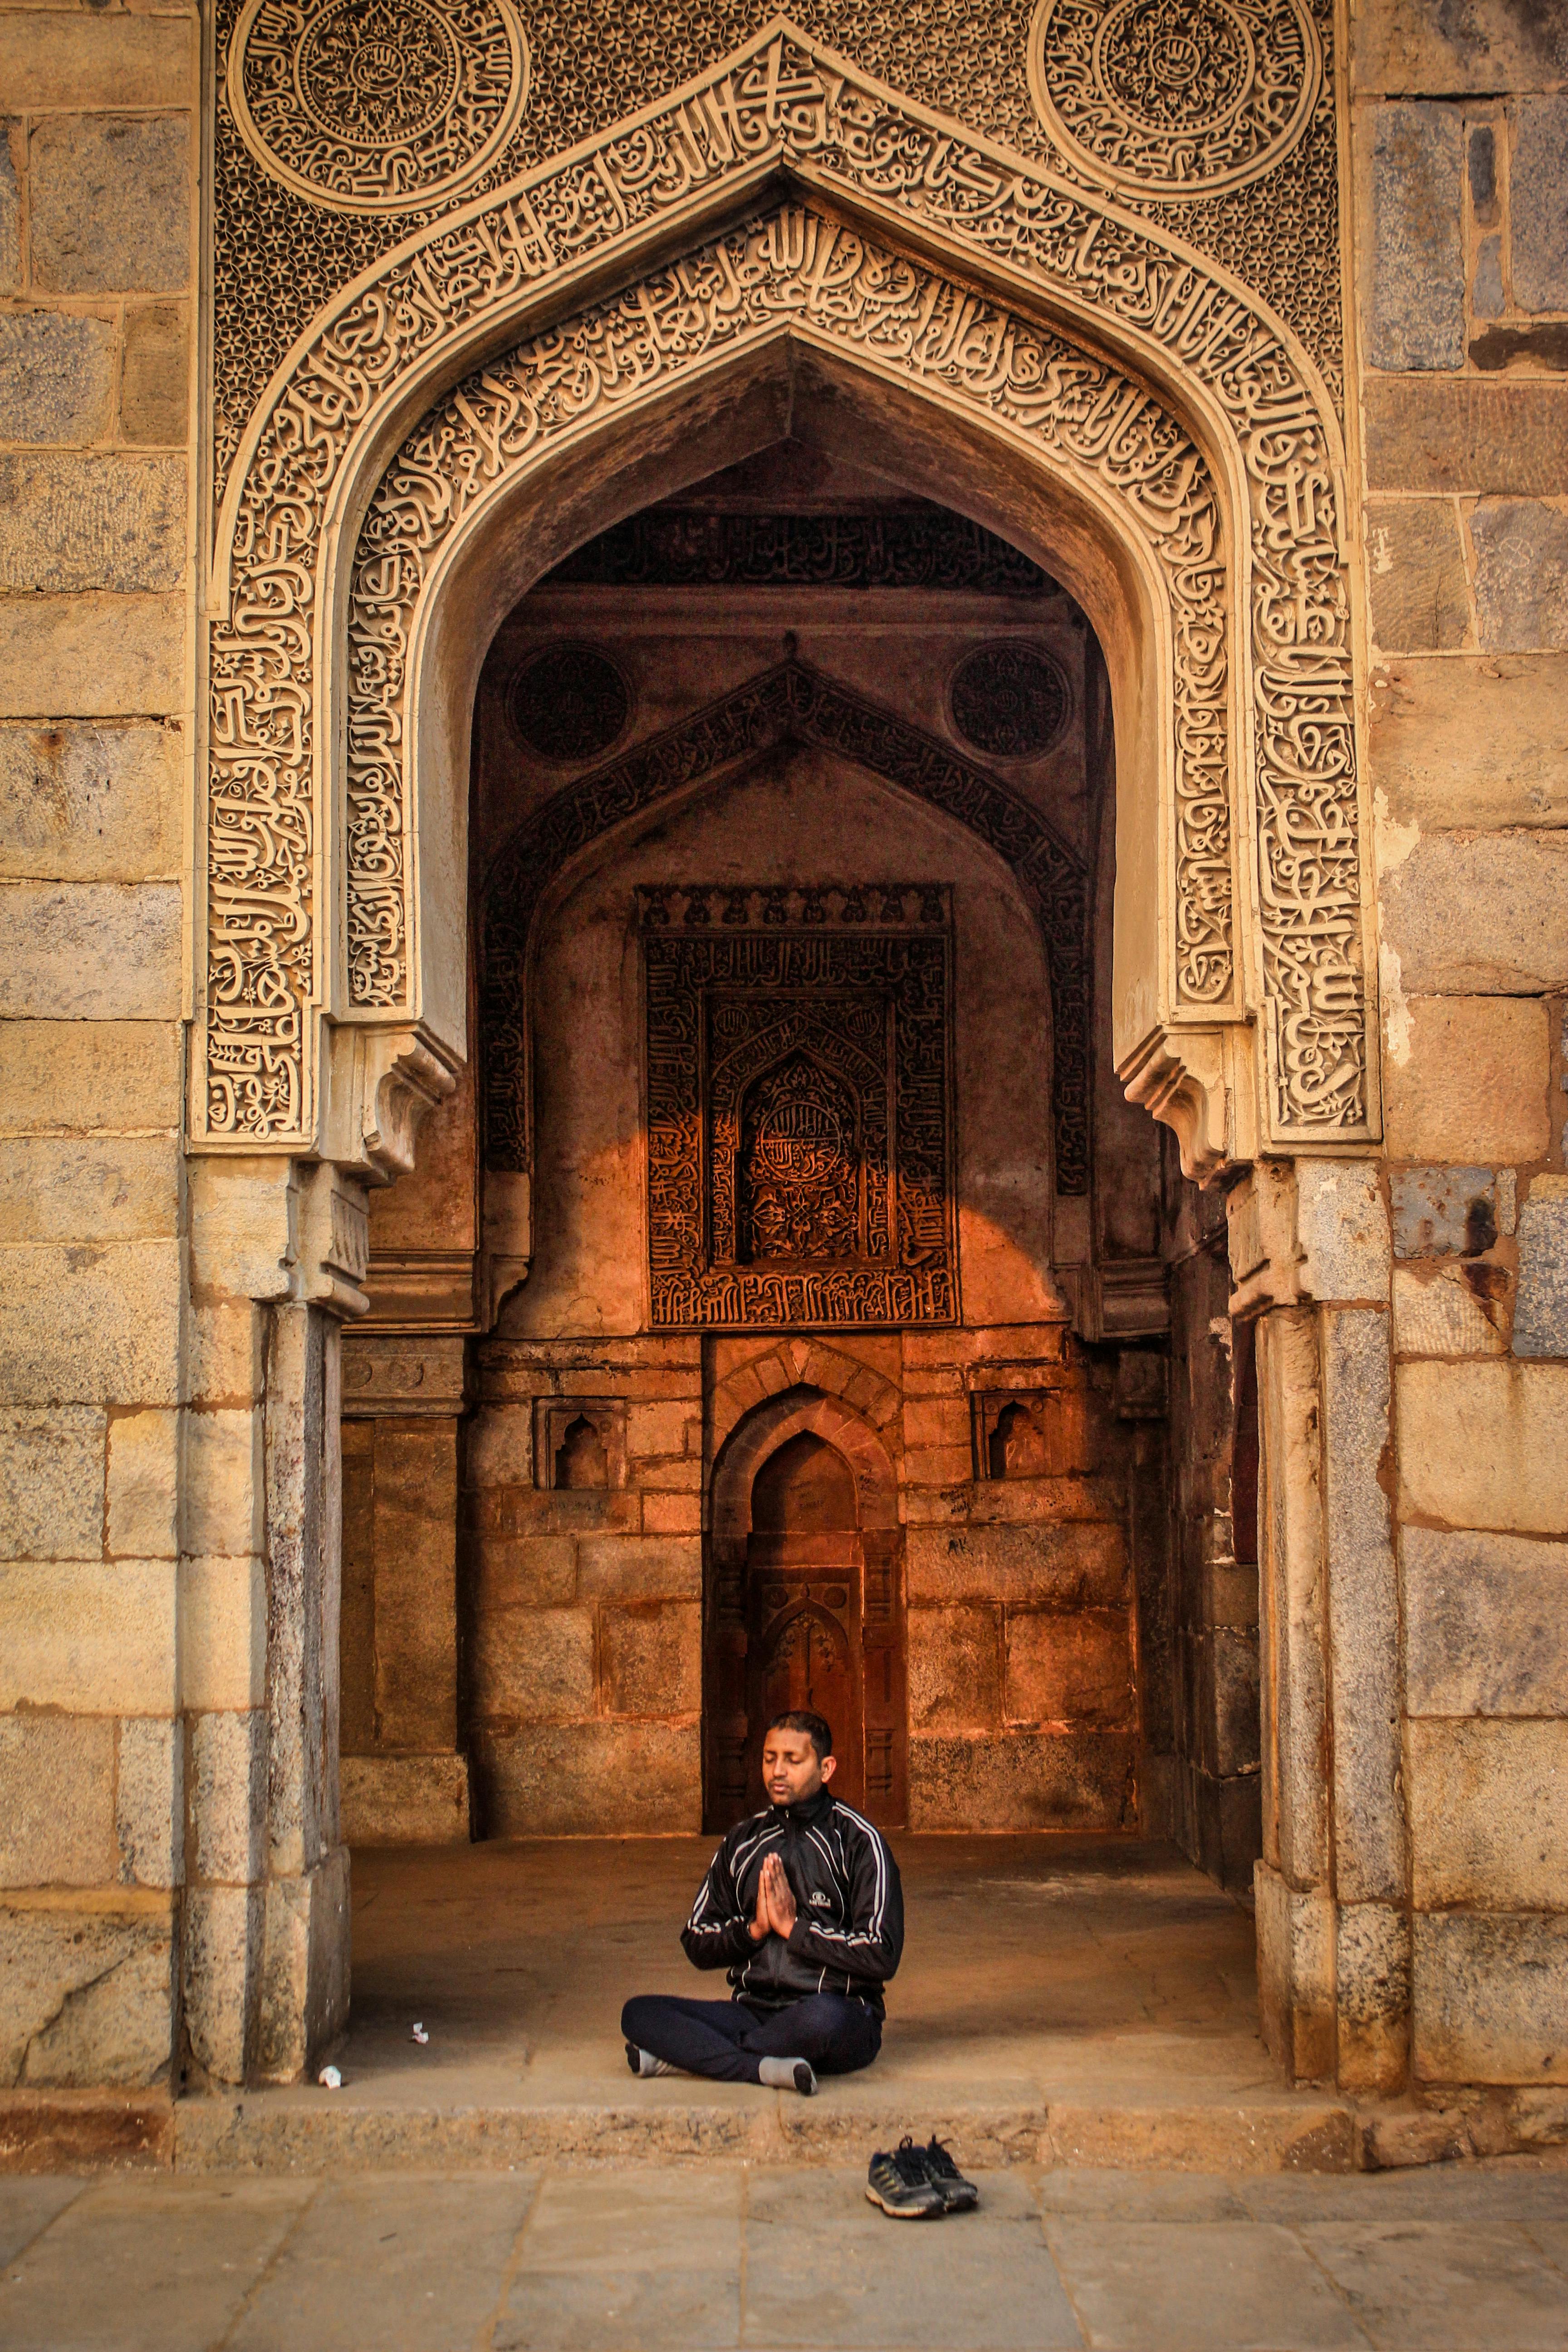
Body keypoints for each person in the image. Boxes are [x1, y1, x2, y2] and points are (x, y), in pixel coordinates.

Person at [620, 1709, 903, 2097]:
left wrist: (794, 1930)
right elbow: (696, 1940)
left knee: (822, 2021)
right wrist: (753, 1930)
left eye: (792, 1760)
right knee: (639, 2013)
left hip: (835, 2011)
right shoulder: (743, 1840)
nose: (777, 1772)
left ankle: (695, 2058)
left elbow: (882, 1952)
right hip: (752, 2013)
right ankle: (761, 2067)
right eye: (770, 1759)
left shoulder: (859, 1841)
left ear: (826, 1769)